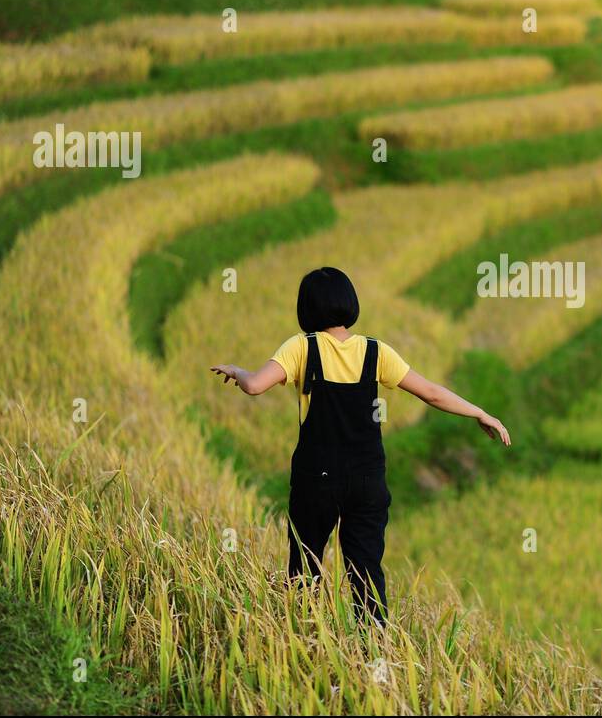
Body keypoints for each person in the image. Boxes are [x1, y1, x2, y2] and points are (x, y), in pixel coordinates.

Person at [210, 266, 510, 621]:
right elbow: (431, 393)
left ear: (306, 308)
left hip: (316, 478)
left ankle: (302, 642)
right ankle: (375, 659)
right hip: (367, 479)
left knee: (304, 568)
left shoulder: (302, 348)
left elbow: (256, 385)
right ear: (349, 304)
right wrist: (479, 412)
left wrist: (238, 371)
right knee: (367, 575)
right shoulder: (375, 352)